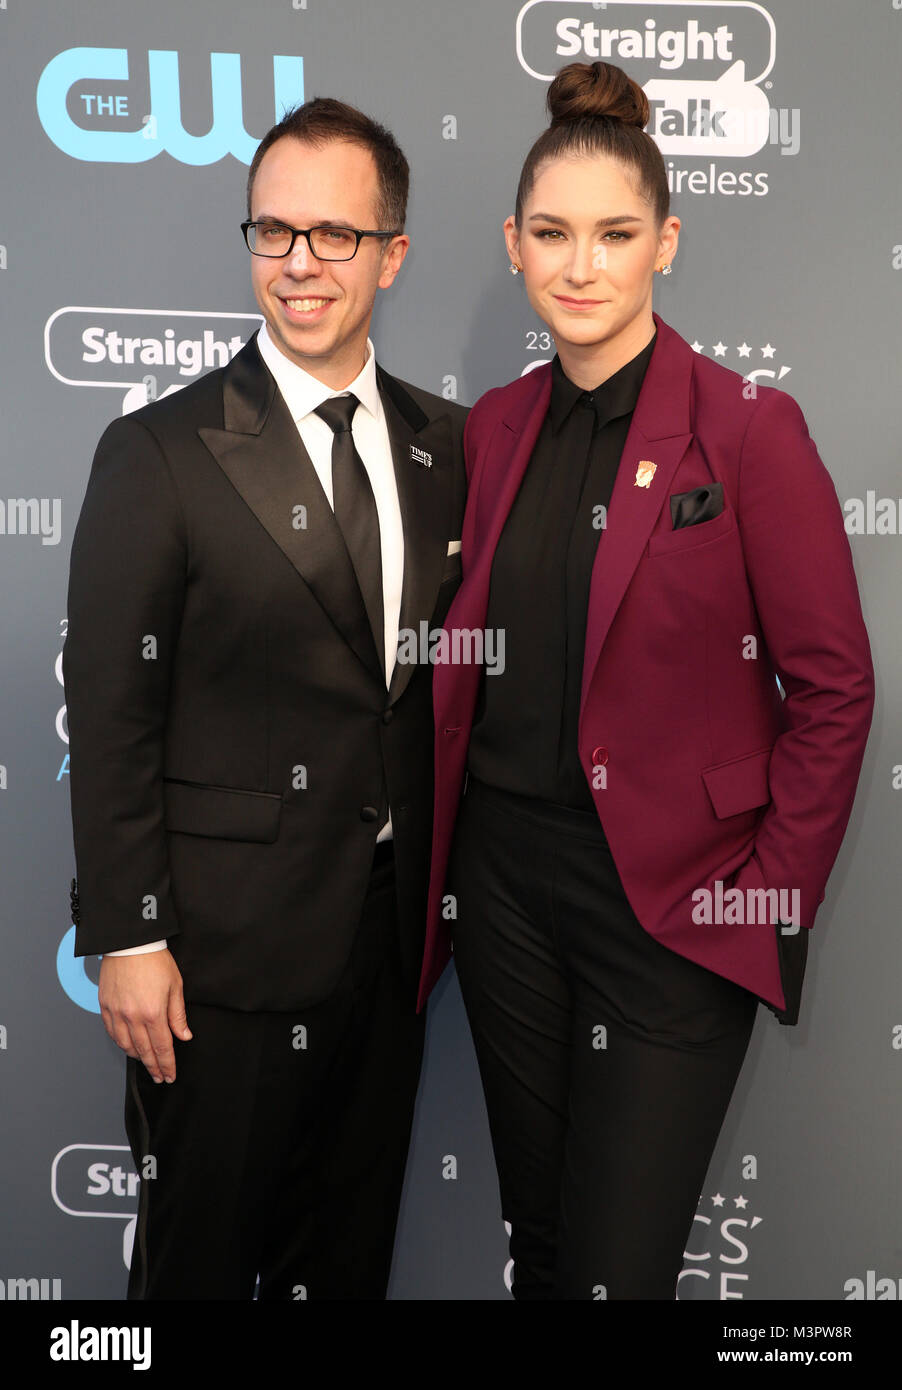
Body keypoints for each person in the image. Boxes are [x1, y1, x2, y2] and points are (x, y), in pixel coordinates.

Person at [417, 61, 874, 1300]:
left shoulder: (744, 429)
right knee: (547, 1249)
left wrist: (765, 899)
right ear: (513, 245)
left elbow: (833, 687)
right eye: (553, 235)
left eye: (614, 234)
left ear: (663, 241)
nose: (581, 265)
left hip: (675, 907)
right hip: (504, 889)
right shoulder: (492, 429)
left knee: (618, 1270)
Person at [63, 96, 466, 1300]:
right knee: (193, 1267)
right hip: (216, 959)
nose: (300, 263)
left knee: (342, 1264)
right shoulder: (162, 452)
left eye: (334, 235)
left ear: (390, 253)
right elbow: (110, 710)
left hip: (386, 949)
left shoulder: (449, 450)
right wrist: (127, 933)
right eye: (274, 231)